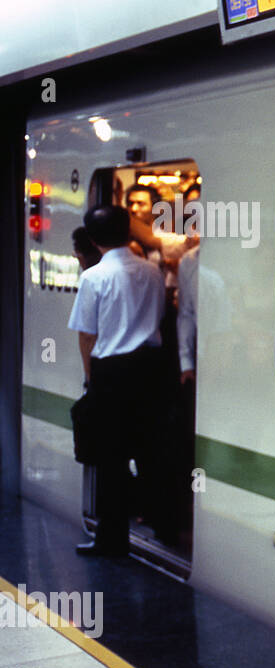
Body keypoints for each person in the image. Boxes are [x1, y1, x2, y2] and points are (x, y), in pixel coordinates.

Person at [67, 206, 165, 558]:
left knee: (111, 457)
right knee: (149, 449)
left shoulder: (93, 277)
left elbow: (87, 336)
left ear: (92, 239)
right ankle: (162, 522)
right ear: (129, 232)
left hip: (110, 372)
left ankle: (111, 538)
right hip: (151, 369)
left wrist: (92, 380)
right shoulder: (153, 272)